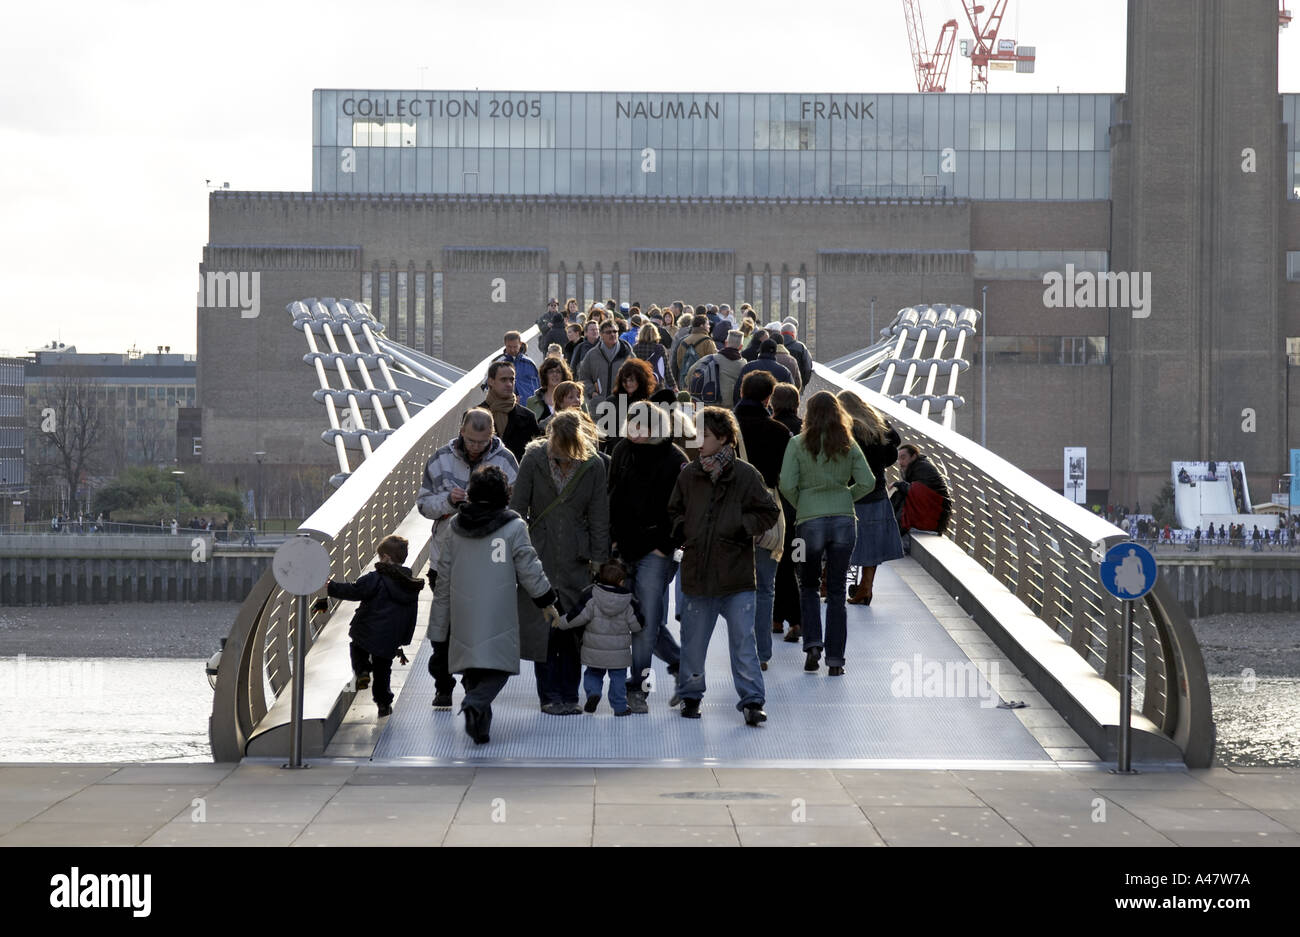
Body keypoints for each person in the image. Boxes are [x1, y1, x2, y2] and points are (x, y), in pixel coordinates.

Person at [430, 465, 561, 744]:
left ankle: (480, 727)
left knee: (473, 667)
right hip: (498, 610)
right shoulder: (513, 527)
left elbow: (443, 577)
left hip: (462, 610)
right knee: (499, 667)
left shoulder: (455, 527)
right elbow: (529, 568)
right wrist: (546, 600)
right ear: (505, 494)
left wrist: (438, 626)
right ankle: (475, 702)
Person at [668, 406, 779, 725]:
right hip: (697, 572)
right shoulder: (690, 473)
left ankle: (753, 700)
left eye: (703, 434)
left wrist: (741, 525)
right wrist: (682, 529)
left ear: (723, 438)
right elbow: (674, 509)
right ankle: (691, 695)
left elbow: (768, 511)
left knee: (744, 641)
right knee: (693, 641)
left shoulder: (745, 474)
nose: (697, 439)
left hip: (736, 575)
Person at [417, 407, 520, 708]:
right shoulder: (439, 460)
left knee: (478, 629)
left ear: (492, 436)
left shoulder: (506, 461)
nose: (476, 447)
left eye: (482, 441)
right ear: (461, 431)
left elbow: (517, 507)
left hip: (489, 562)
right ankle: (443, 686)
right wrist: (449, 501)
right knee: (445, 628)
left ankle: (473, 690)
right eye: (472, 440)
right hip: (446, 561)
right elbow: (423, 506)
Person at [510, 410, 610, 715]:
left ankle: (570, 694)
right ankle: (549, 695)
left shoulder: (593, 464)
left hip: (576, 559)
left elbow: (599, 515)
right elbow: (517, 509)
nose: (563, 455)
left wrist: (600, 560)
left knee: (572, 628)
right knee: (546, 629)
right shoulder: (533, 458)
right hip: (539, 553)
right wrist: (517, 552)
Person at [779, 392, 873, 677]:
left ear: (808, 414)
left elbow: (786, 484)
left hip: (809, 522)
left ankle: (813, 646)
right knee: (835, 592)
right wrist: (845, 497)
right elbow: (868, 482)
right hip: (844, 521)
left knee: (807, 585)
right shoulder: (848, 443)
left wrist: (804, 504)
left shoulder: (797, 443)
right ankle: (835, 660)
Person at [608, 401, 687, 712]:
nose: (634, 431)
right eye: (631, 424)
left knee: (645, 620)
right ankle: (681, 662)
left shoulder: (673, 459)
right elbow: (612, 493)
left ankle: (637, 687)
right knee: (634, 616)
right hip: (624, 546)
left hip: (656, 549)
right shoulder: (621, 452)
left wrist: (665, 545)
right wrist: (612, 539)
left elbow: (679, 507)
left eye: (641, 426)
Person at [313, 534, 424, 717]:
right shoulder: (410, 584)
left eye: (380, 556)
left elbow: (355, 591)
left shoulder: (376, 578)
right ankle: (383, 704)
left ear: (386, 558)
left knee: (357, 647)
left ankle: (362, 671)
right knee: (383, 670)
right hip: (391, 637)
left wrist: (331, 587)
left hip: (367, 631)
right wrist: (403, 638)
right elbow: (411, 614)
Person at [734, 371, 792, 671]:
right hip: (768, 516)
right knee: (765, 587)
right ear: (768, 398)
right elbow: (788, 480)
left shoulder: (724, 427)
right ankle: (762, 654)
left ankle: (740, 649)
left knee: (735, 589)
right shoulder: (780, 432)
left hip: (730, 517)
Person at [837, 391, 904, 605]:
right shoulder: (876, 424)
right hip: (875, 492)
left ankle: (829, 583)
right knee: (872, 540)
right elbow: (896, 441)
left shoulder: (844, 427)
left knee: (839, 539)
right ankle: (865, 588)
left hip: (848, 491)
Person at [553, 559, 643, 716]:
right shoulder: (629, 602)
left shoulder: (591, 596)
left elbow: (577, 617)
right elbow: (636, 625)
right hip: (618, 653)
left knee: (593, 674)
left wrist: (559, 622)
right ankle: (620, 707)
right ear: (622, 582)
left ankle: (593, 693)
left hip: (594, 650)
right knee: (618, 680)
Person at [769, 382, 803, 642]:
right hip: (801, 507)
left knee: (779, 565)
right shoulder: (806, 430)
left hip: (776, 505)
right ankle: (791, 620)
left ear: (773, 402)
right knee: (795, 563)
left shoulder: (773, 429)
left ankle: (781, 619)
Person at [479, 358, 540, 462]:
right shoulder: (475, 415)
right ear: (491, 382)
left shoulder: (528, 417)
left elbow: (537, 456)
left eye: (512, 380)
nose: (509, 384)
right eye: (503, 380)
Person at [889, 443, 953, 537]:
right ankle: (892, 528)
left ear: (914, 456)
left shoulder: (923, 468)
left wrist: (898, 484)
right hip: (932, 511)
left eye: (903, 458)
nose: (900, 462)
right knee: (900, 494)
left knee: (900, 494)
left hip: (935, 512)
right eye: (899, 459)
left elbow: (919, 491)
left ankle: (892, 529)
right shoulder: (915, 467)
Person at [576, 318, 633, 419]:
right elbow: (583, 377)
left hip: (622, 407)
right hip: (598, 408)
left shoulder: (628, 354)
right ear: (601, 335)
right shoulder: (592, 355)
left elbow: (638, 377)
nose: (612, 334)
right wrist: (592, 392)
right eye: (608, 332)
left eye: (615, 331)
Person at [686, 329, 747, 409]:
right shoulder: (744, 364)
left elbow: (690, 374)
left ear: (726, 343)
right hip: (733, 407)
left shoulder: (709, 359)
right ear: (741, 347)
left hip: (711, 403)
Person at [526, 356, 573, 424]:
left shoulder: (575, 398)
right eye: (551, 372)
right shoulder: (532, 402)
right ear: (545, 375)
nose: (555, 374)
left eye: (558, 371)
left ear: (563, 375)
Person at [673, 314, 716, 385]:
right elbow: (713, 360)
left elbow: (679, 361)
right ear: (702, 326)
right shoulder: (708, 341)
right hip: (702, 380)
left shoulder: (684, 341)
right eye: (707, 324)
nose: (709, 326)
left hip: (686, 380)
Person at [498, 331, 540, 403]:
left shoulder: (529, 363)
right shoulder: (498, 363)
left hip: (529, 407)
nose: (512, 350)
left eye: (515, 347)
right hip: (506, 407)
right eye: (509, 347)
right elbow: (487, 386)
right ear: (505, 344)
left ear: (520, 344)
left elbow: (538, 386)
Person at [633, 322, 675, 392]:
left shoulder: (635, 348)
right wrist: (673, 385)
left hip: (640, 383)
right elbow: (667, 368)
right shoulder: (660, 348)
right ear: (655, 334)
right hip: (657, 384)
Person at [780, 321, 814, 387]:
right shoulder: (800, 347)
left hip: (777, 388)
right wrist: (802, 384)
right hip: (795, 387)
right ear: (793, 333)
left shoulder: (774, 346)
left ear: (780, 333)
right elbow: (807, 367)